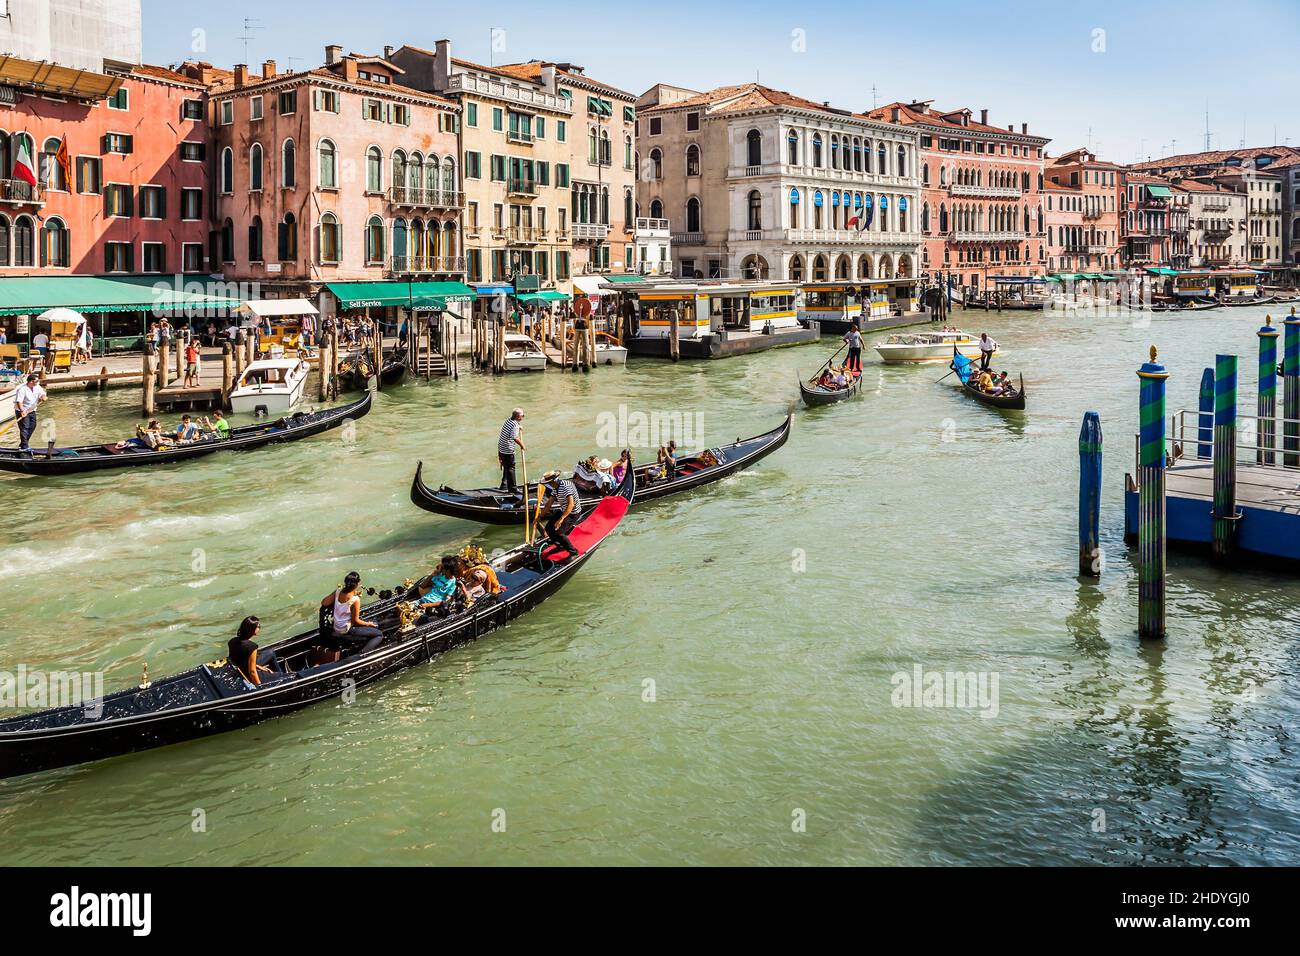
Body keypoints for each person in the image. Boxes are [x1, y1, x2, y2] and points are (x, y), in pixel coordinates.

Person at [321, 571, 384, 655]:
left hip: (336, 627)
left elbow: (324, 602)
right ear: (357, 584)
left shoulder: (338, 591)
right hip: (346, 630)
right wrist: (369, 624)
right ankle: (362, 654)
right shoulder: (355, 600)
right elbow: (355, 621)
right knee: (379, 634)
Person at [535, 470, 581, 561]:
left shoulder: (565, 486)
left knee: (559, 532)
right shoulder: (556, 488)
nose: (548, 485)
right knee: (548, 528)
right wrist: (539, 517)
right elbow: (549, 504)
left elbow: (571, 505)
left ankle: (574, 552)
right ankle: (560, 545)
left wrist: (561, 519)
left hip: (573, 512)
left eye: (549, 483)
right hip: (563, 509)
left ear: (553, 481)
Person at [227, 616, 282, 686]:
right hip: (248, 675)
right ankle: (280, 675)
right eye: (258, 626)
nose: (259, 628)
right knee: (280, 675)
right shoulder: (252, 647)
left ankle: (275, 674)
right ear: (252, 629)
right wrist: (259, 687)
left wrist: (258, 666)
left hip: (241, 669)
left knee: (270, 653)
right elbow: (252, 672)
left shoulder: (232, 641)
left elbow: (235, 660)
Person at [13, 373, 46, 451]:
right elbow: (19, 401)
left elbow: (42, 393)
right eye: (36, 381)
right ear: (31, 381)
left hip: (32, 410)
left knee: (33, 426)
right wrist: (22, 411)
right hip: (22, 410)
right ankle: (24, 447)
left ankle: (23, 444)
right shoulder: (22, 389)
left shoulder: (37, 387)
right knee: (25, 428)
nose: (37, 382)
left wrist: (43, 397)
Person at [498, 407, 525, 492]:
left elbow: (512, 428)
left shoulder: (509, 419)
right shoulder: (514, 425)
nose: (523, 417)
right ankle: (513, 489)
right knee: (511, 468)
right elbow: (515, 438)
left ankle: (504, 485)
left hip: (501, 447)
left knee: (506, 466)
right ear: (517, 417)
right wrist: (522, 445)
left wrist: (519, 426)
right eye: (522, 416)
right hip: (507, 450)